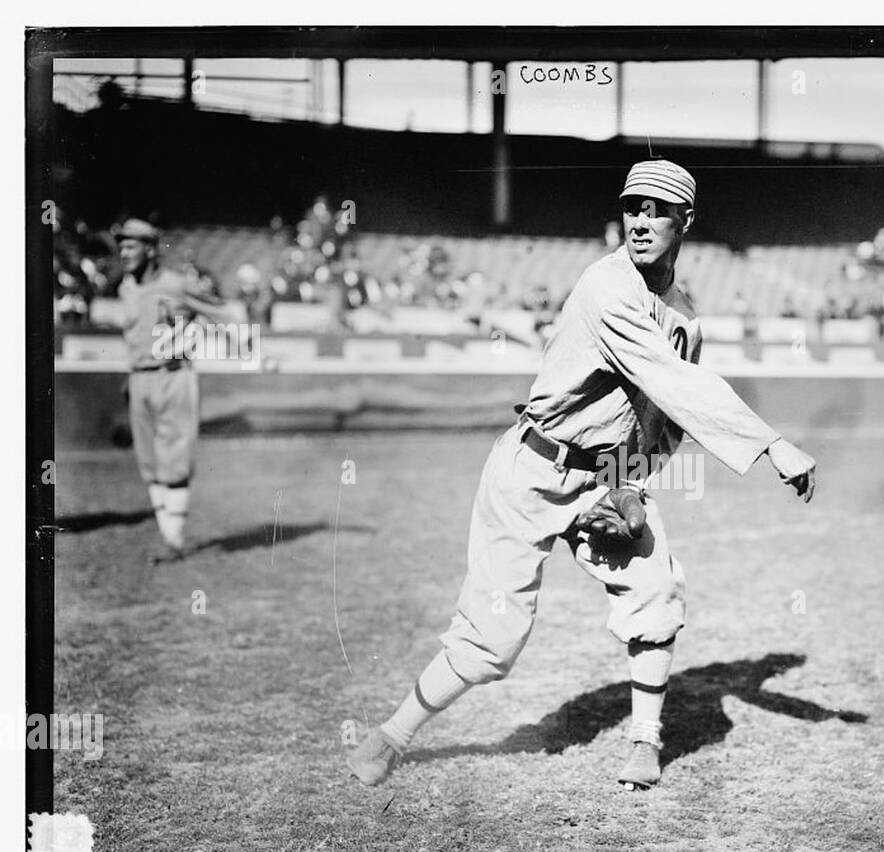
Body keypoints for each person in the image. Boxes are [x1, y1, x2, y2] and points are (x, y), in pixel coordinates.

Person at [347, 159, 817, 791]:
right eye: (632, 208)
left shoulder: (683, 316)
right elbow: (668, 378)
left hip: (603, 477)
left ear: (687, 220)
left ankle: (645, 741)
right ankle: (392, 736)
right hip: (531, 471)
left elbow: (661, 421)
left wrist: (630, 485)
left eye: (657, 210)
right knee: (492, 641)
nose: (642, 222)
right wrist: (770, 444)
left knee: (656, 591)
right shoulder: (605, 287)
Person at [115, 218, 230, 564]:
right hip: (139, 379)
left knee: (175, 460)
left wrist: (250, 351)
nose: (123, 253)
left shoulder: (178, 285)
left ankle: (173, 540)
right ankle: (169, 534)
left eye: (131, 246)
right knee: (148, 461)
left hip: (174, 375)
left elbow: (221, 314)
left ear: (151, 250)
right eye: (121, 246)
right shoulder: (126, 287)